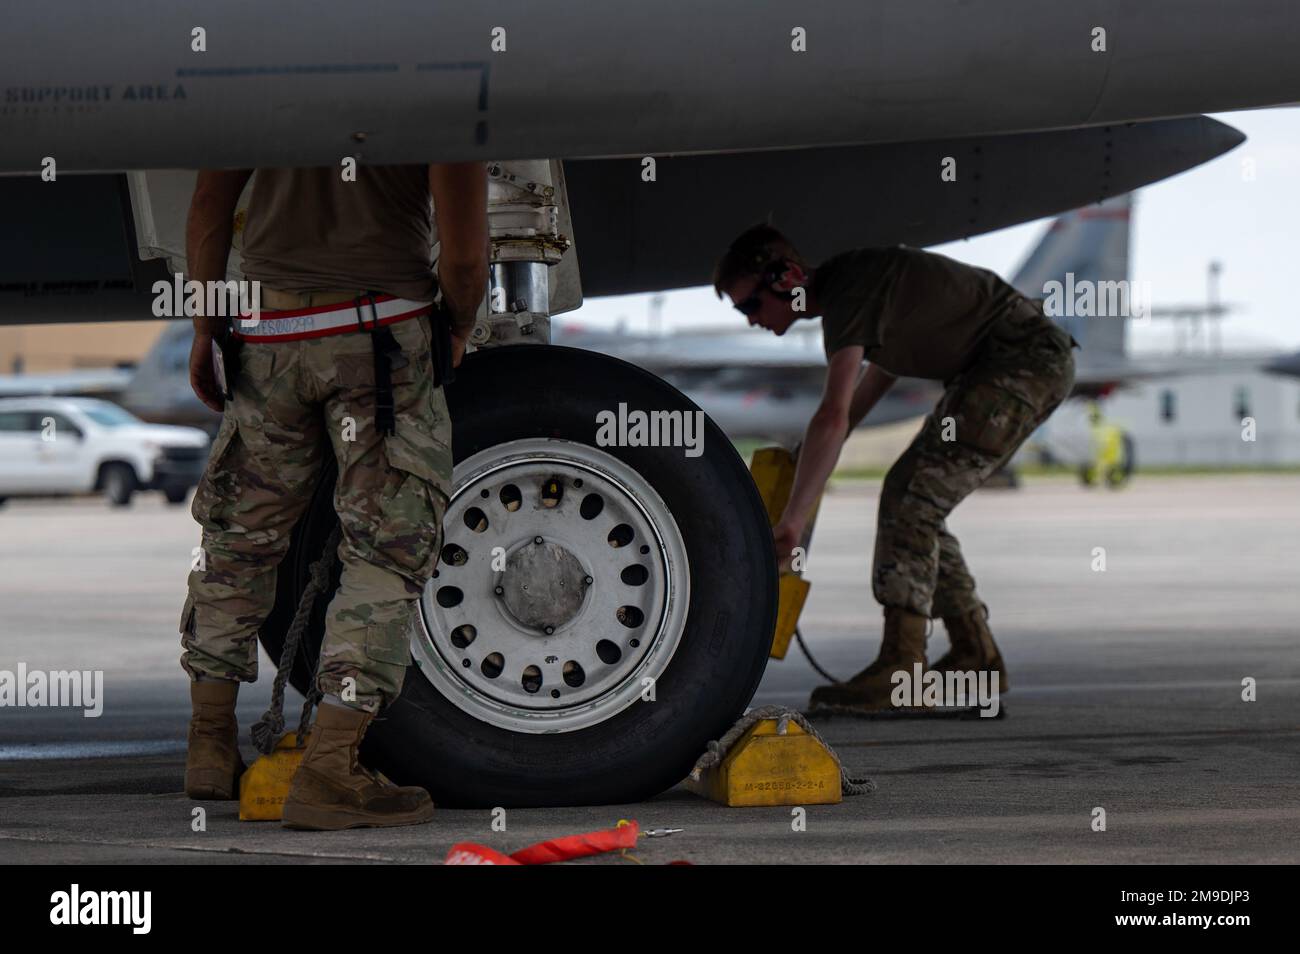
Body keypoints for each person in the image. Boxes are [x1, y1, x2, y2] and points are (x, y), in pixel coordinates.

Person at [180, 163, 488, 828]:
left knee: (238, 538)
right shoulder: (439, 74)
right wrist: (458, 323)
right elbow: (464, 251)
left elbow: (210, 201)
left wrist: (206, 326)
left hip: (269, 335)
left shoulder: (252, 72)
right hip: (382, 334)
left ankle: (208, 745)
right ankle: (330, 770)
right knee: (383, 548)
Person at [713, 224, 1075, 711]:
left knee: (911, 499)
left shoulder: (849, 290)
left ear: (787, 278)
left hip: (1021, 364)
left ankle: (902, 667)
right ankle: (975, 654)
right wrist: (807, 463)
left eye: (750, 305)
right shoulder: (862, 293)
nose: (751, 320)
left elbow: (833, 413)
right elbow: (859, 402)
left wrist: (793, 522)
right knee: (917, 503)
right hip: (1013, 365)